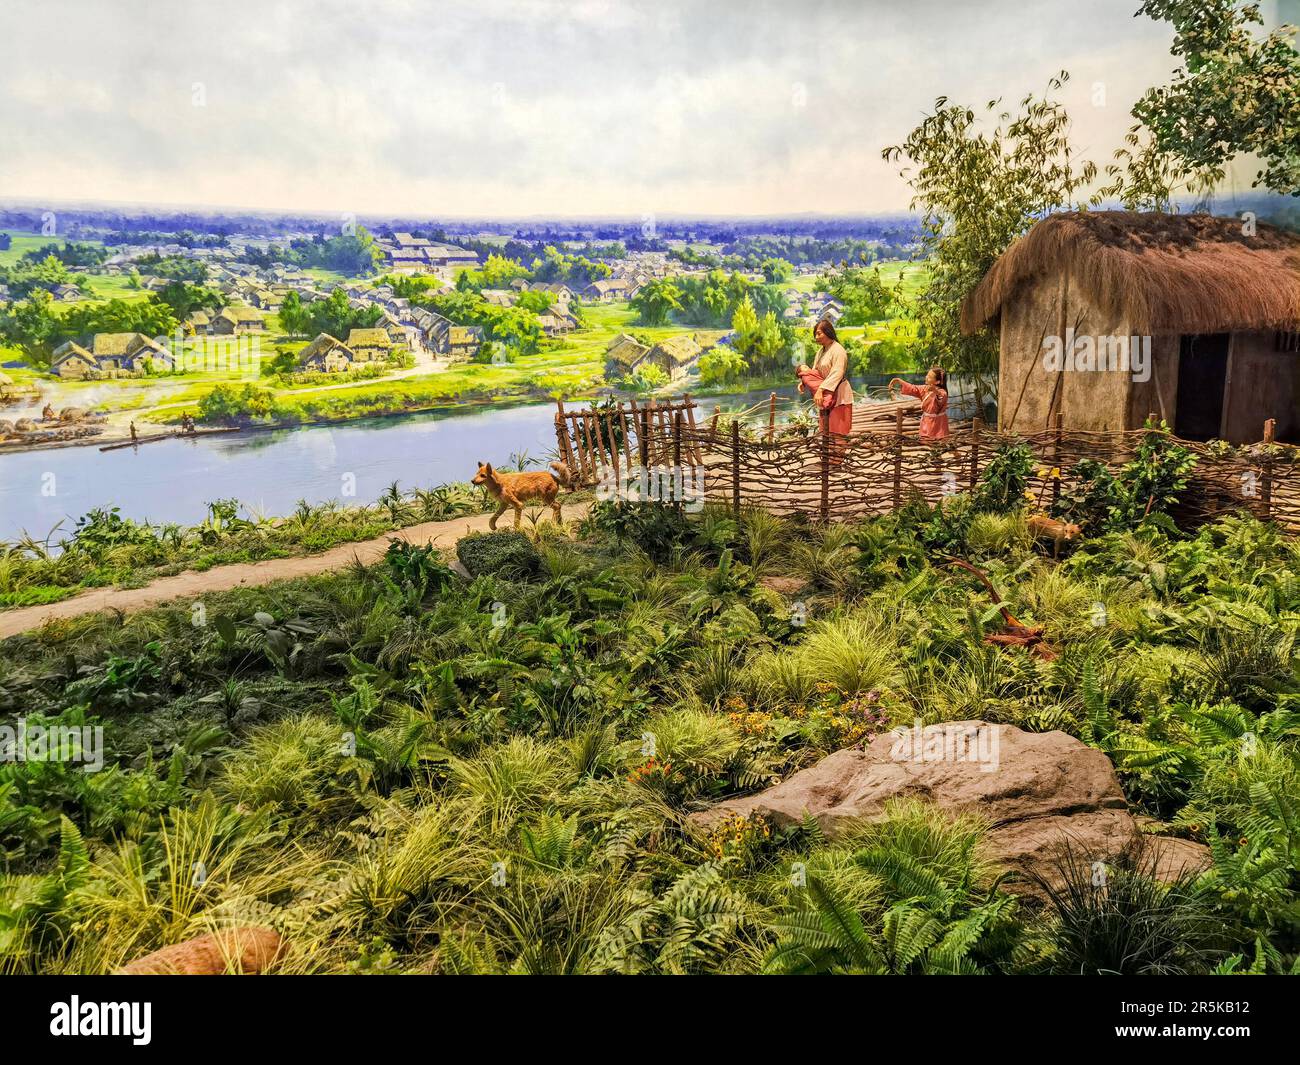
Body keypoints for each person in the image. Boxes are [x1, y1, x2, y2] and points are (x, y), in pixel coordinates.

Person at [796, 318, 854, 442]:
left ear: (828, 332)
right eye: (815, 334)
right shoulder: (820, 352)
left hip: (839, 395)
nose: (816, 337)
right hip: (825, 395)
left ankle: (836, 461)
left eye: (819, 333)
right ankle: (828, 460)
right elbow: (815, 371)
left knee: (838, 432)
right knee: (825, 430)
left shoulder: (838, 350)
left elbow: (837, 373)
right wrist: (803, 382)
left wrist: (821, 389)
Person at [889, 366, 949, 443]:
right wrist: (899, 381)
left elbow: (942, 397)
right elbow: (913, 388)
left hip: (938, 423)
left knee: (940, 444)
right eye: (927, 375)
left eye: (930, 377)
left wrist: (935, 391)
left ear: (937, 382)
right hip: (927, 422)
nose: (926, 377)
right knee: (926, 443)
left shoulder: (942, 392)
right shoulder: (924, 389)